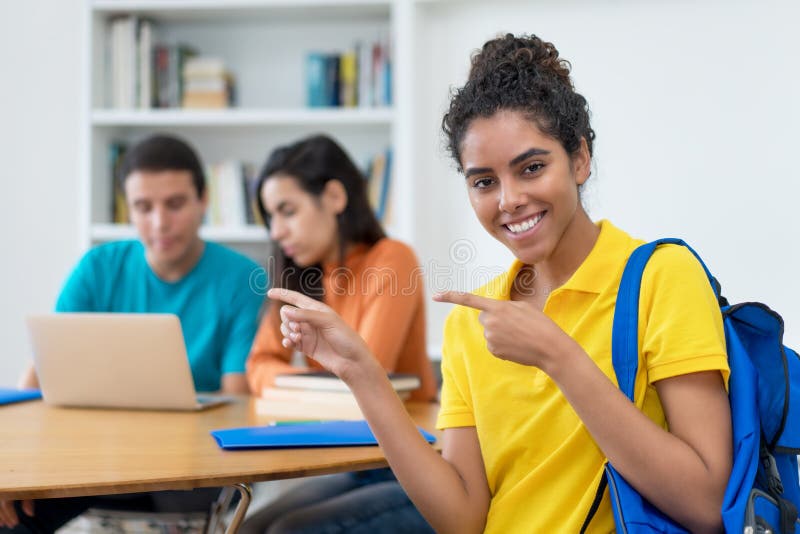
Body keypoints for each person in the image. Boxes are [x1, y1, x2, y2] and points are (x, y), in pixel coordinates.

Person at [264, 33, 733, 533]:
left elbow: (706, 504)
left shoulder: (663, 277)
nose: (508, 200)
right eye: (484, 181)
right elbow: (463, 520)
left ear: (579, 159)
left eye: (532, 168)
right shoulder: (474, 321)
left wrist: (558, 356)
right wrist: (362, 374)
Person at [0, 134, 263, 533]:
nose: (160, 222)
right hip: (91, 459)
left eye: (175, 204)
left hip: (190, 470)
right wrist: (12, 468)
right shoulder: (97, 267)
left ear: (203, 200)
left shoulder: (243, 278)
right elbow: (37, 377)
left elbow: (239, 402)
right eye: (143, 207)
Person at [240, 134, 437, 533]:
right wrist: (312, 387)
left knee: (287, 531)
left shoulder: (391, 259)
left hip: (415, 461)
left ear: (334, 197)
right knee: (248, 526)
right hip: (358, 459)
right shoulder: (300, 276)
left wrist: (293, 389)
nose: (276, 231)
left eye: (287, 211)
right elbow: (259, 365)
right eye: (270, 217)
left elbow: (363, 374)